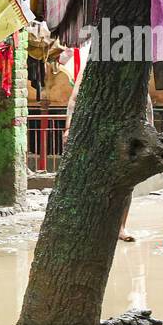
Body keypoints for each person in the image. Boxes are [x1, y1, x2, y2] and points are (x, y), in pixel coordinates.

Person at [63, 69, 154, 242]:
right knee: (91, 182)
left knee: (126, 184)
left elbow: (146, 103)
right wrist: (69, 127)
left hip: (126, 135)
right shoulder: (92, 69)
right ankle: (89, 227)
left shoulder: (133, 71)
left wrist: (149, 132)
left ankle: (120, 227)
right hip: (96, 133)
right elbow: (74, 99)